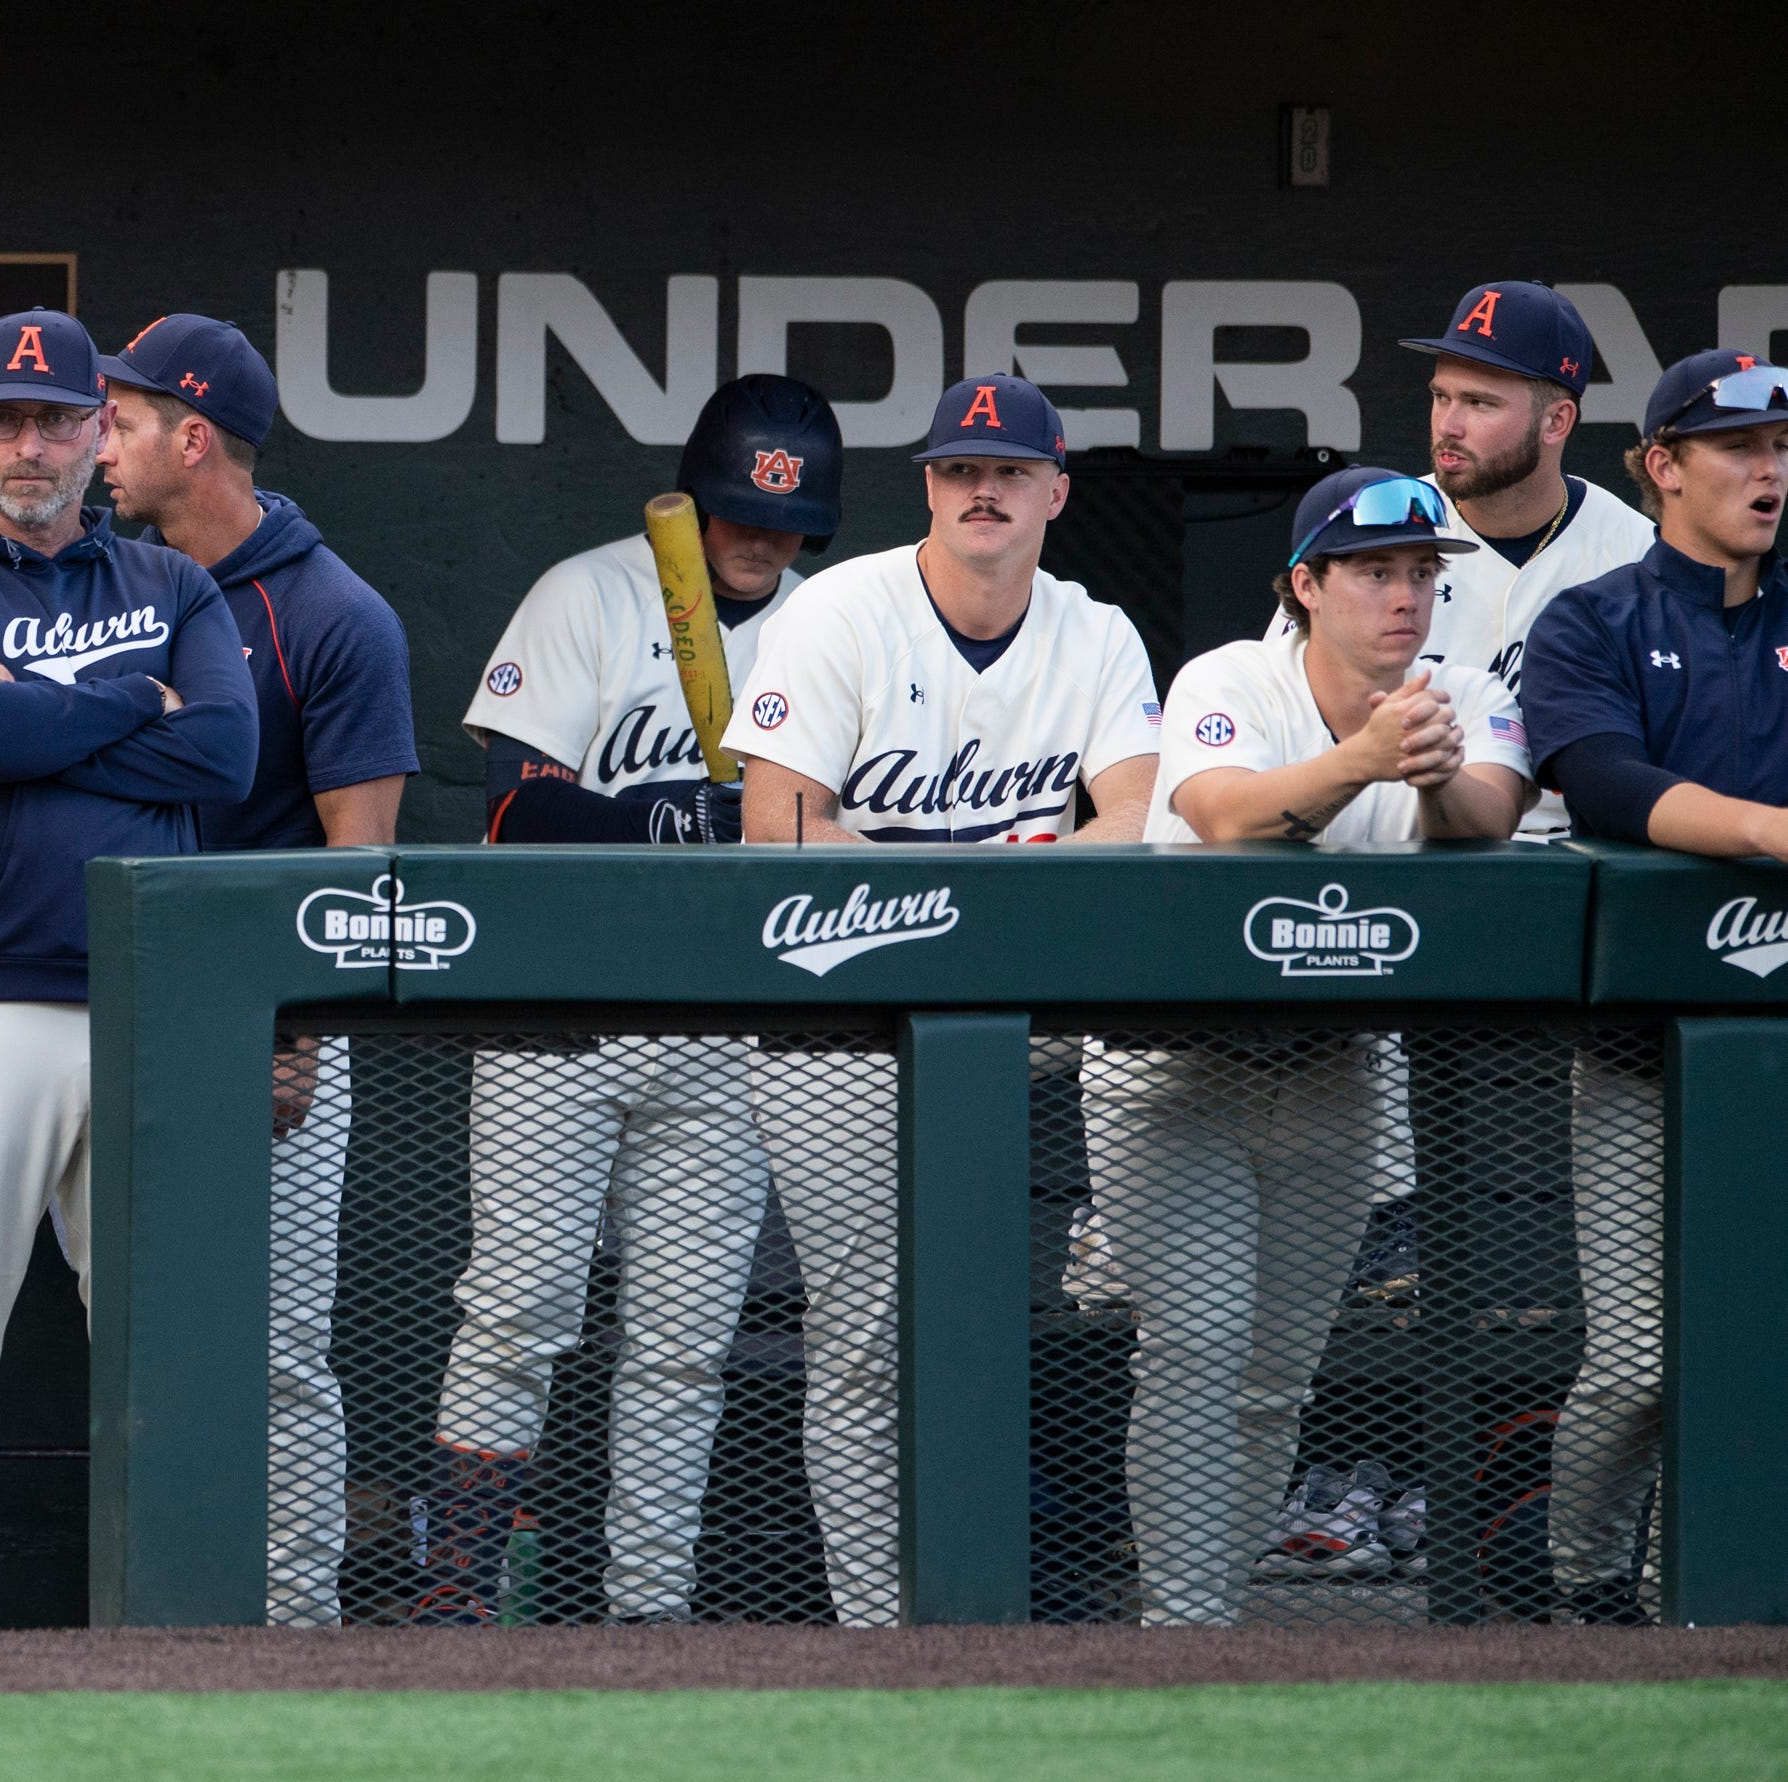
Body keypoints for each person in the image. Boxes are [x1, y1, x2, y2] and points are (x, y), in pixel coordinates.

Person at [0, 309, 257, 1633]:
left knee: (162, 1341)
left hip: (142, 1003)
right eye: (4, 418)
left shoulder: (175, 588)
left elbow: (224, 760)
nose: (30, 444)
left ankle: (178, 1629)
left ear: (98, 431)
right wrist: (138, 705)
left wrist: (26, 702)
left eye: (58, 418)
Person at [724, 374, 1160, 1623]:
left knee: (997, 1332)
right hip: (843, 1027)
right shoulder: (841, 613)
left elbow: (1135, 816)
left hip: (1021, 1028)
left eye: (1010, 470)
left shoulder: (1097, 631)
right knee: (864, 1344)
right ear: (928, 485)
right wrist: (985, 896)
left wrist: (962, 901)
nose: (984, 488)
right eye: (960, 469)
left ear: (1055, 491)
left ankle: (994, 1606)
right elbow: (781, 825)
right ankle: (880, 1628)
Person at [416, 375, 841, 1624]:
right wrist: (652, 816)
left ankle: (646, 1616)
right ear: (696, 498)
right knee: (517, 1310)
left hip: (722, 1031)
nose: (761, 538)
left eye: (787, 521)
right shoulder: (590, 592)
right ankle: (457, 1607)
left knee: (681, 1347)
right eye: (738, 513)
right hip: (564, 1013)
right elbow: (507, 802)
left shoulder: (833, 624)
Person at [1096, 466, 1533, 1622]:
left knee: (1273, 1379)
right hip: (1173, 1068)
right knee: (1192, 1351)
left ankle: (1217, 1615)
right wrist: (1367, 757)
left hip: (1337, 1071)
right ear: (1306, 582)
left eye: (1422, 576)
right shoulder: (1229, 676)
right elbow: (1226, 818)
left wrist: (1433, 778)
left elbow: (1484, 821)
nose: (1405, 599)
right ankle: (1177, 1628)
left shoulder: (1463, 689)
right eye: (1375, 572)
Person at [97, 313, 417, 1625]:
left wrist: (300, 1031)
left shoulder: (333, 613)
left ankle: (295, 1619)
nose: (92, 447)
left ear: (191, 436)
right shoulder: (104, 580)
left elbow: (360, 869)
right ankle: (152, 1613)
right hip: (114, 1007)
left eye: (115, 423)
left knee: (278, 1349)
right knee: (131, 1346)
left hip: (264, 1034)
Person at [1521, 349, 1788, 1624]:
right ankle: (1583, 1589)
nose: (1767, 469)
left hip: (1782, 1042)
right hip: (1641, 1049)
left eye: (1779, 445)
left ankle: (1713, 1611)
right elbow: (1598, 777)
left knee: (1757, 1356)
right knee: (1638, 1360)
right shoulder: (1594, 617)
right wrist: (1766, 831)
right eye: (1736, 446)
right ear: (1662, 466)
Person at [1277, 282, 1651, 837]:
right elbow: (1284, 709)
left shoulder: (1638, 551)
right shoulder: (1373, 523)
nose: (1448, 424)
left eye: (1479, 402)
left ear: (1557, 422)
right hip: (1398, 845)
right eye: (1441, 396)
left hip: (1582, 859)